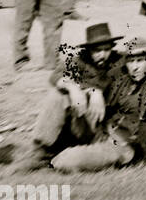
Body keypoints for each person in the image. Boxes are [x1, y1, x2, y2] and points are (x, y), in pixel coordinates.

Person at [27, 37, 146, 172]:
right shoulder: (121, 75)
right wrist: (92, 91)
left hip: (128, 147)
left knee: (65, 161)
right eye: (131, 61)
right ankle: (40, 154)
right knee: (58, 96)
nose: (135, 67)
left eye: (140, 61)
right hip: (103, 133)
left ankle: (57, 157)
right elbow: (74, 77)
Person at [14, 22, 122, 171]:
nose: (102, 54)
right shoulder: (80, 60)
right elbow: (56, 76)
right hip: (82, 120)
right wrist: (75, 88)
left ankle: (65, 156)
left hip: (104, 127)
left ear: (112, 47)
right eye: (97, 50)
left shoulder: (120, 61)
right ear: (89, 50)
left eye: (106, 49)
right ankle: (39, 153)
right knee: (57, 95)